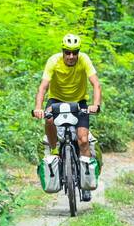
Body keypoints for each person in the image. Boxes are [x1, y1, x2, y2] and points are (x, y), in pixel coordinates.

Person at [33, 33, 103, 201]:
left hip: (79, 102)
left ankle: (86, 184)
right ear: (63, 52)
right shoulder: (53, 61)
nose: (71, 56)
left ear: (78, 52)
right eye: (68, 52)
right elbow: (43, 87)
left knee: (83, 140)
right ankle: (55, 148)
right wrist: (37, 108)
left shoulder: (84, 60)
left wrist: (96, 105)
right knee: (48, 118)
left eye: (75, 52)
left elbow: (96, 84)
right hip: (56, 100)